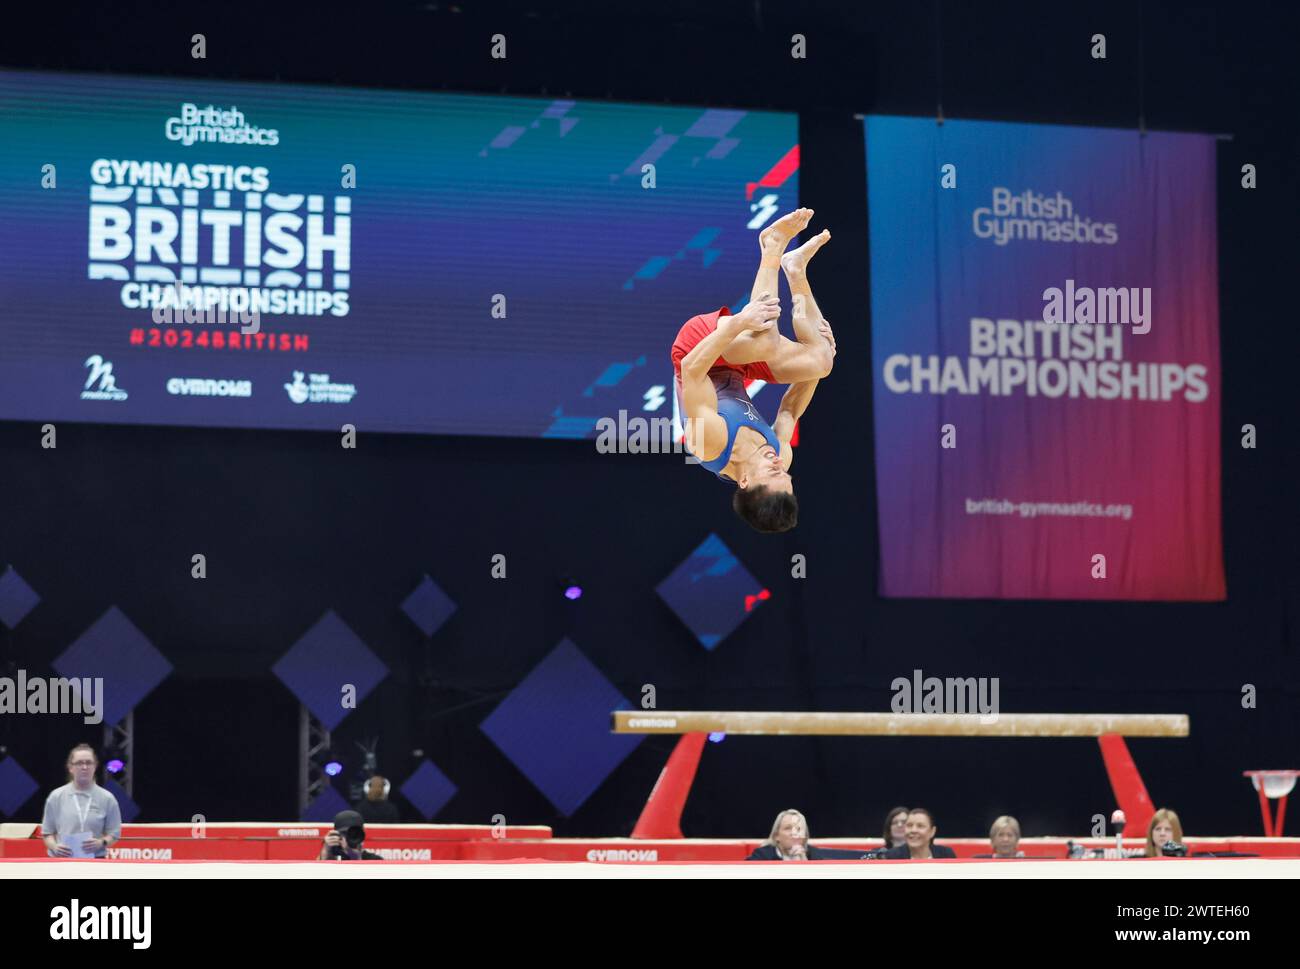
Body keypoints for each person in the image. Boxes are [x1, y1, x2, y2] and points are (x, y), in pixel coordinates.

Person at [672, 208, 837, 532]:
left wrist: (737, 323)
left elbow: (692, 369)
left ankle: (772, 246)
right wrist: (819, 354)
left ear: (744, 480)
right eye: (785, 474)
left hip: (697, 351)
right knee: (821, 363)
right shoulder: (779, 454)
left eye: (773, 473)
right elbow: (790, 410)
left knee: (763, 340)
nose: (779, 463)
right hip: (737, 365)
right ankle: (795, 269)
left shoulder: (710, 444)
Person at [40, 744, 122, 858]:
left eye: (88, 763)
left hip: (95, 862)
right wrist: (54, 847)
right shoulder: (56, 796)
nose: (84, 767)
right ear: (70, 767)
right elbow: (47, 833)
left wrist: (101, 843)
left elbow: (114, 834)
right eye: (79, 763)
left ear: (95, 766)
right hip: (61, 861)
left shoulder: (107, 798)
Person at [745, 809, 860, 861]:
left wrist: (806, 867)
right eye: (788, 828)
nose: (794, 833)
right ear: (776, 836)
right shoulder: (761, 856)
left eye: (799, 829)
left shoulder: (814, 855)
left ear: (805, 836)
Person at [881, 808, 957, 859]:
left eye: (920, 826)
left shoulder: (945, 854)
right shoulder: (892, 856)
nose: (913, 830)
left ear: (932, 831)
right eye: (909, 825)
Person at [318, 809, 383, 860]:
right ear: (336, 835)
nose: (348, 837)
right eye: (344, 833)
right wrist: (326, 852)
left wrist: (353, 855)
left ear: (361, 835)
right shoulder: (332, 858)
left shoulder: (375, 861)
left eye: (354, 834)